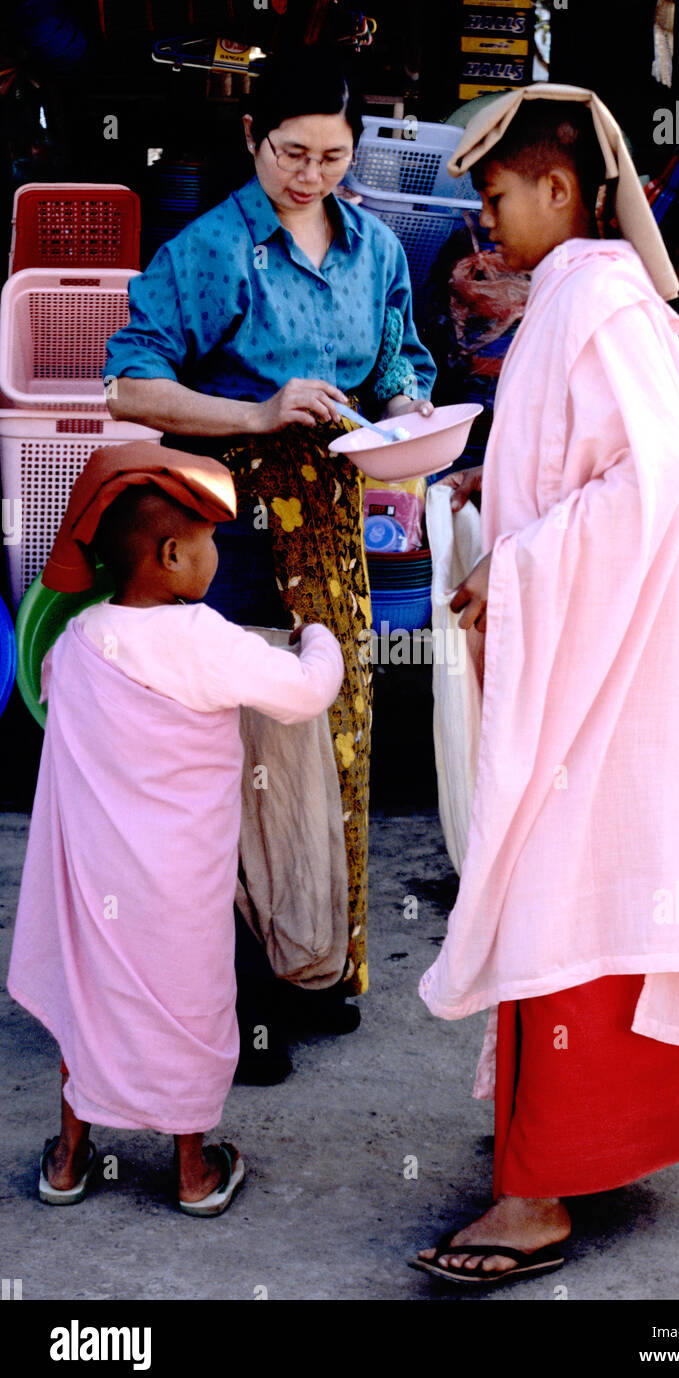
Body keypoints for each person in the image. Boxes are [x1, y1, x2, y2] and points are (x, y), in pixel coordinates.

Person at [411, 85, 679, 1285]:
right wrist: (485, 493)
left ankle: (536, 1195)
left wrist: (523, 558)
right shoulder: (571, 296)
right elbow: (574, 458)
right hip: (584, 653)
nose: (485, 226)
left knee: (555, 881)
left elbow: (655, 474)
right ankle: (556, 1152)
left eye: (496, 199)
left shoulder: (598, 297)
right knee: (565, 879)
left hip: (601, 670)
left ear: (558, 189)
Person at [103, 44, 437, 1053]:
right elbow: (128, 386)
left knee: (327, 744)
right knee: (240, 758)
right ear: (254, 137)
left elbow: (398, 367)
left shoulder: (374, 250)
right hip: (226, 531)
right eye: (292, 153)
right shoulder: (207, 249)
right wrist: (255, 412)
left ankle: (313, 968)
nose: (310, 177)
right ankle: (235, 993)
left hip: (330, 528)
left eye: (332, 159)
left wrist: (410, 421)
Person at [7, 442, 343, 1214]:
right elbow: (303, 694)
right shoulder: (205, 639)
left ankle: (68, 1159)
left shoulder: (80, 642)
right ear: (168, 554)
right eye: (207, 544)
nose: (215, 560)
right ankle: (192, 1172)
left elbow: (47, 689)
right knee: (190, 1002)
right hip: (180, 885)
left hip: (96, 877)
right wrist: (317, 635)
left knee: (89, 998)